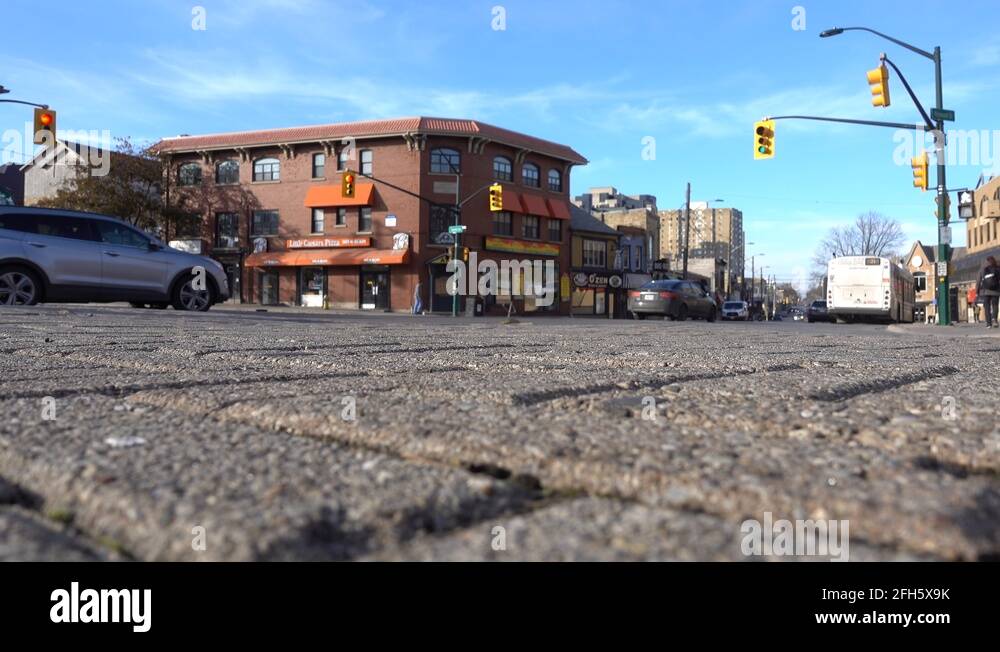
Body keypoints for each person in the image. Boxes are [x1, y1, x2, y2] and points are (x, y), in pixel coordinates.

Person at [977, 256, 1000, 328]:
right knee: (995, 305)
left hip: (986, 291)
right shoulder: (998, 268)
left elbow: (978, 281)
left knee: (987, 307)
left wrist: (977, 291)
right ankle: (995, 320)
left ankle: (989, 324)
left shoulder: (982, 269)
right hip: (996, 291)